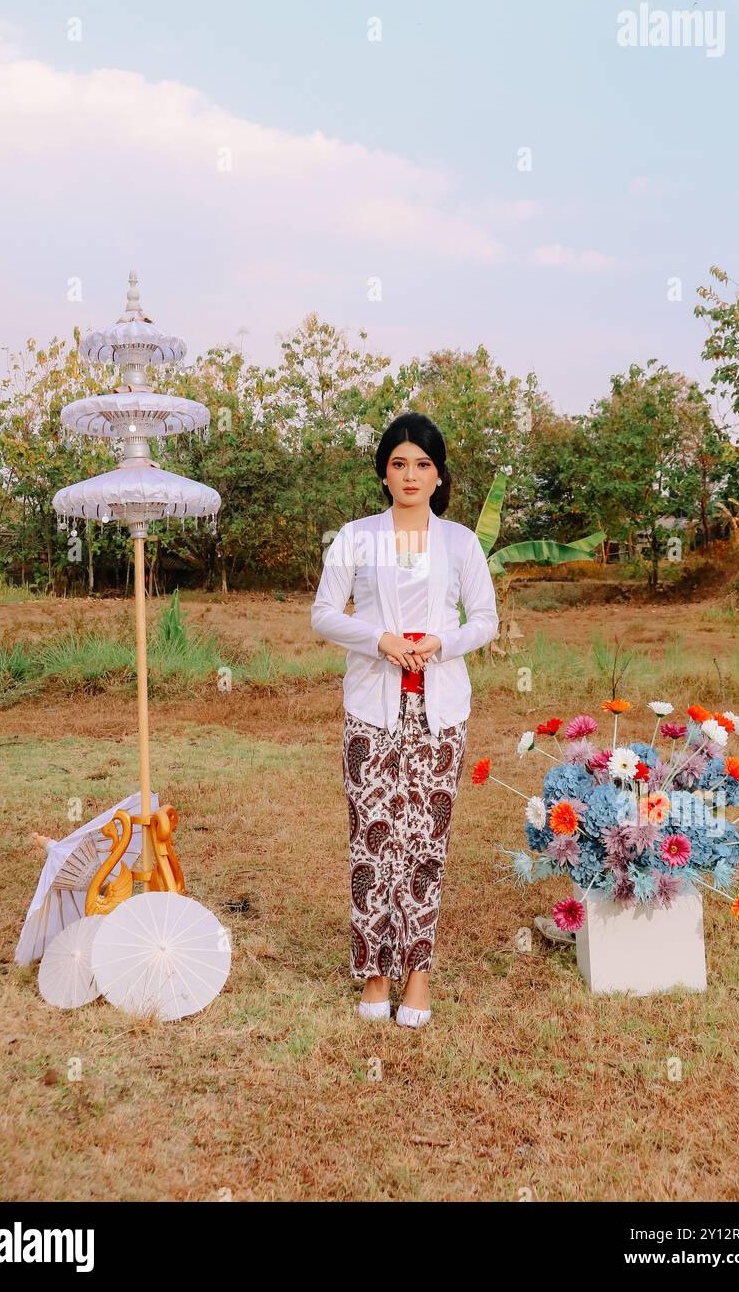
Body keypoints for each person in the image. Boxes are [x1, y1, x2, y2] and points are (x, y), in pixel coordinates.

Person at [310, 412, 499, 1027]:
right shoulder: (357, 537)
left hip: (439, 711)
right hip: (372, 708)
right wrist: (381, 639)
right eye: (399, 463)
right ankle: (373, 974)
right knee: (372, 837)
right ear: (384, 473)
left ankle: (416, 978)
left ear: (439, 475)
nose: (411, 474)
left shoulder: (460, 543)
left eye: (422, 464)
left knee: (424, 842)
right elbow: (322, 614)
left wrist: (439, 643)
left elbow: (484, 620)